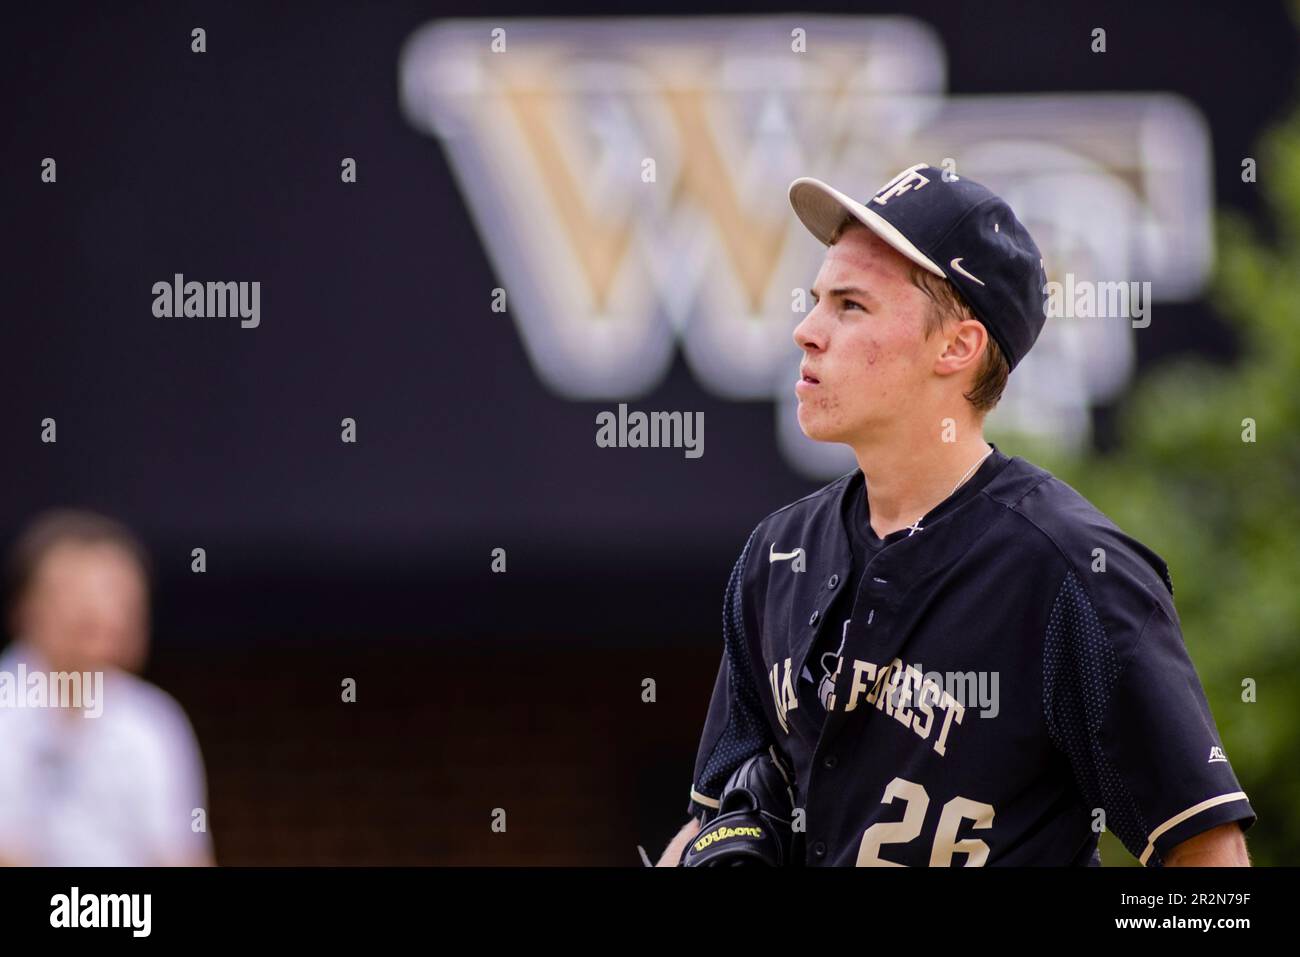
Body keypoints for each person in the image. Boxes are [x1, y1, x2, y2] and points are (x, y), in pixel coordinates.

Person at [660, 164, 1254, 867]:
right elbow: (705, 828)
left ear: (957, 347)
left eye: (850, 305)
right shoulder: (778, 554)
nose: (807, 331)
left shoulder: (1072, 570)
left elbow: (1210, 862)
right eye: (816, 298)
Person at [0, 509, 214, 866]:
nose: (106, 611)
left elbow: (182, 856)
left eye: (121, 597)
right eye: (82, 593)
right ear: (26, 608)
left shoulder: (152, 721)